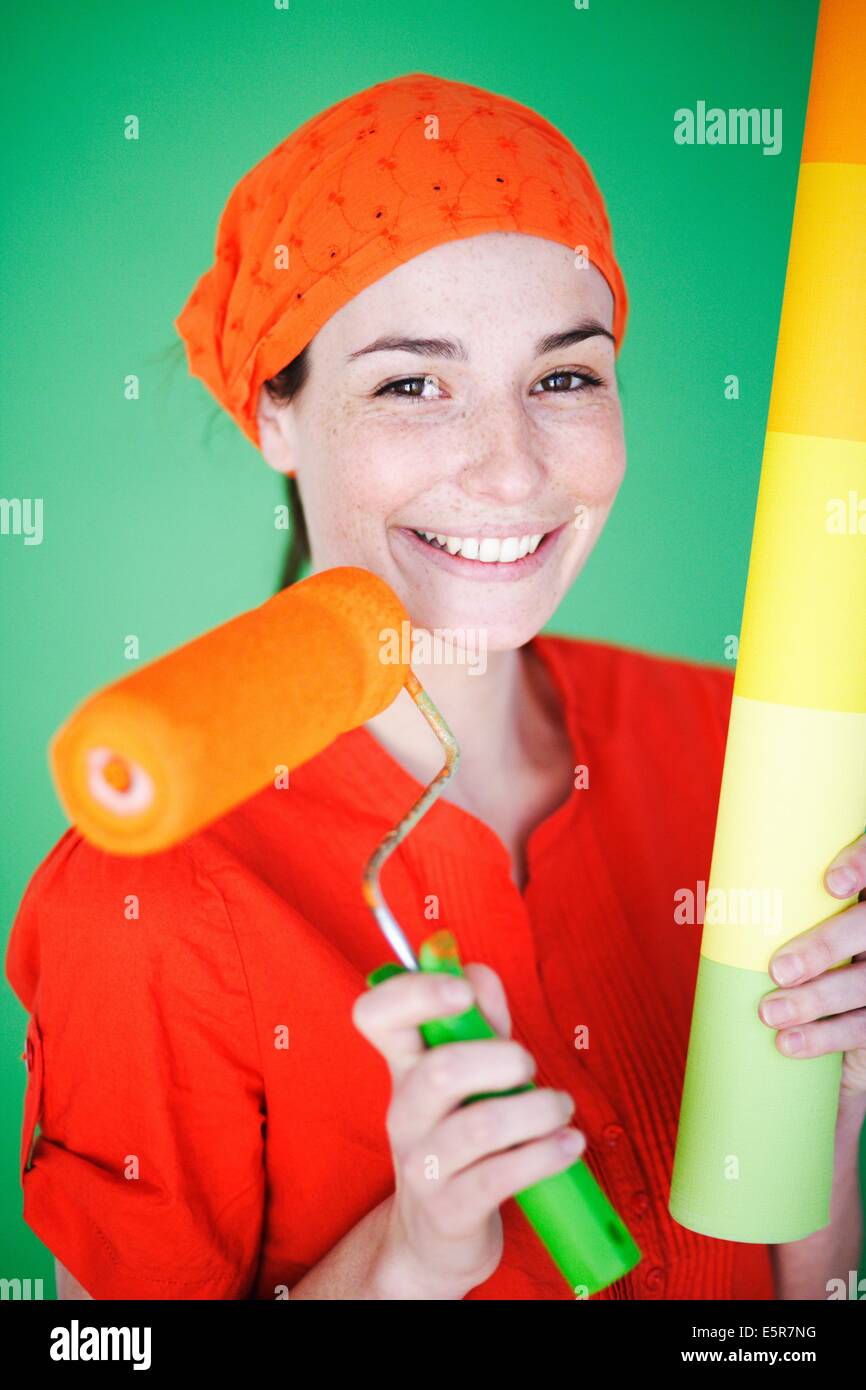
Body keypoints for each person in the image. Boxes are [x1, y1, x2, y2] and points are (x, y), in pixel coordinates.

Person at [6, 71, 865, 1303]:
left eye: (564, 376)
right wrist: (401, 1262)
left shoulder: (734, 751)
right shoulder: (143, 895)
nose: (510, 470)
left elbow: (788, 1310)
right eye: (412, 382)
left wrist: (825, 1132)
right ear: (274, 416)